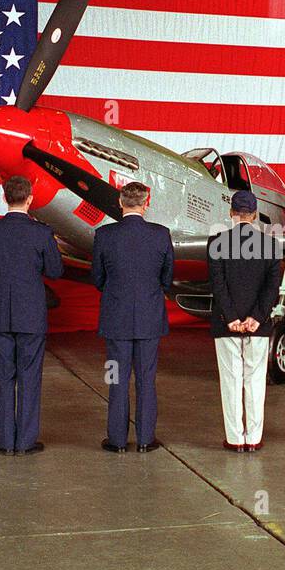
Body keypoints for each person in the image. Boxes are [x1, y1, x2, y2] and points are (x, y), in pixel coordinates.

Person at [0, 175, 64, 455]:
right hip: (31, 316)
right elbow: (56, 271)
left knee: (3, 379)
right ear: (30, 199)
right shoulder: (42, 233)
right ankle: (25, 442)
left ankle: (4, 442)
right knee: (29, 377)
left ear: (4, 198)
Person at [91, 181, 174, 453]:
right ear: (146, 203)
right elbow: (168, 279)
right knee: (146, 380)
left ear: (120, 202)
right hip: (150, 319)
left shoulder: (104, 235)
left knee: (116, 379)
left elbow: (98, 279)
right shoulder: (161, 235)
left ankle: (116, 441)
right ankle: (145, 440)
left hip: (116, 319)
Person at [208, 191, 284, 452]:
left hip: (226, 325)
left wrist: (232, 319)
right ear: (254, 215)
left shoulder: (216, 242)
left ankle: (235, 439)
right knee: (254, 381)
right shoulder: (271, 245)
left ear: (231, 213)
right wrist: (256, 317)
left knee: (231, 381)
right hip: (258, 326)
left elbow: (218, 287)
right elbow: (271, 288)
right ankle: (253, 438)